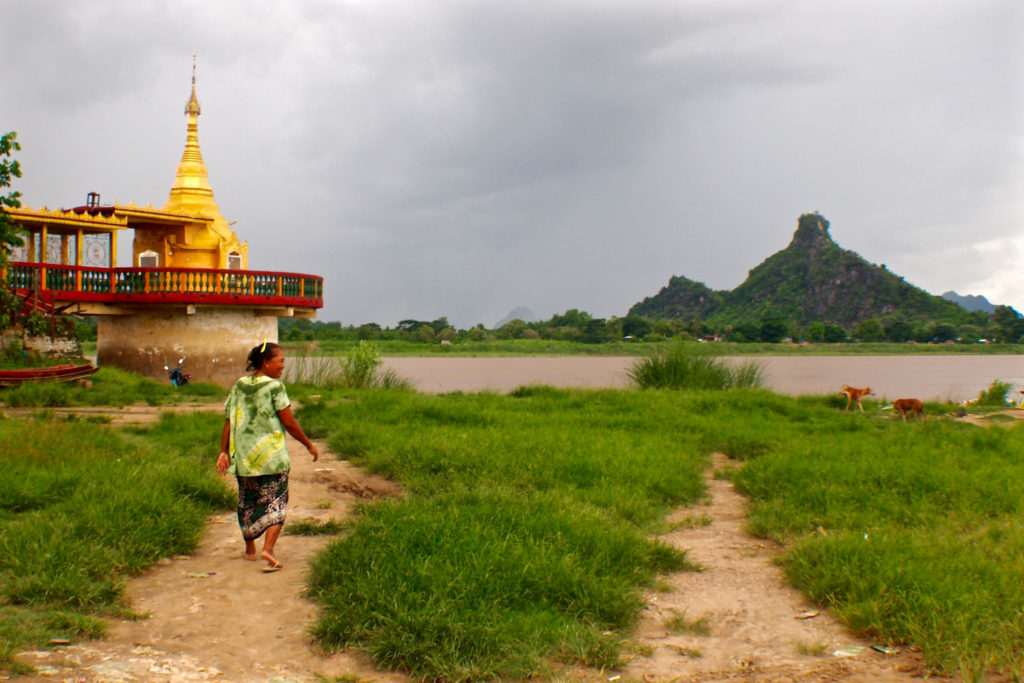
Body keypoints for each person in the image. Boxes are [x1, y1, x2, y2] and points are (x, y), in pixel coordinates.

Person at [217, 341, 319, 572]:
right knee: (277, 502)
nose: (283, 366)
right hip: (272, 458)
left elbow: (229, 420)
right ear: (266, 362)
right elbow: (289, 422)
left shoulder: (239, 386)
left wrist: (223, 451)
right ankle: (268, 550)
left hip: (244, 458)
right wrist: (308, 444)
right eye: (280, 361)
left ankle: (250, 550)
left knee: (247, 501)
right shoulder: (275, 388)